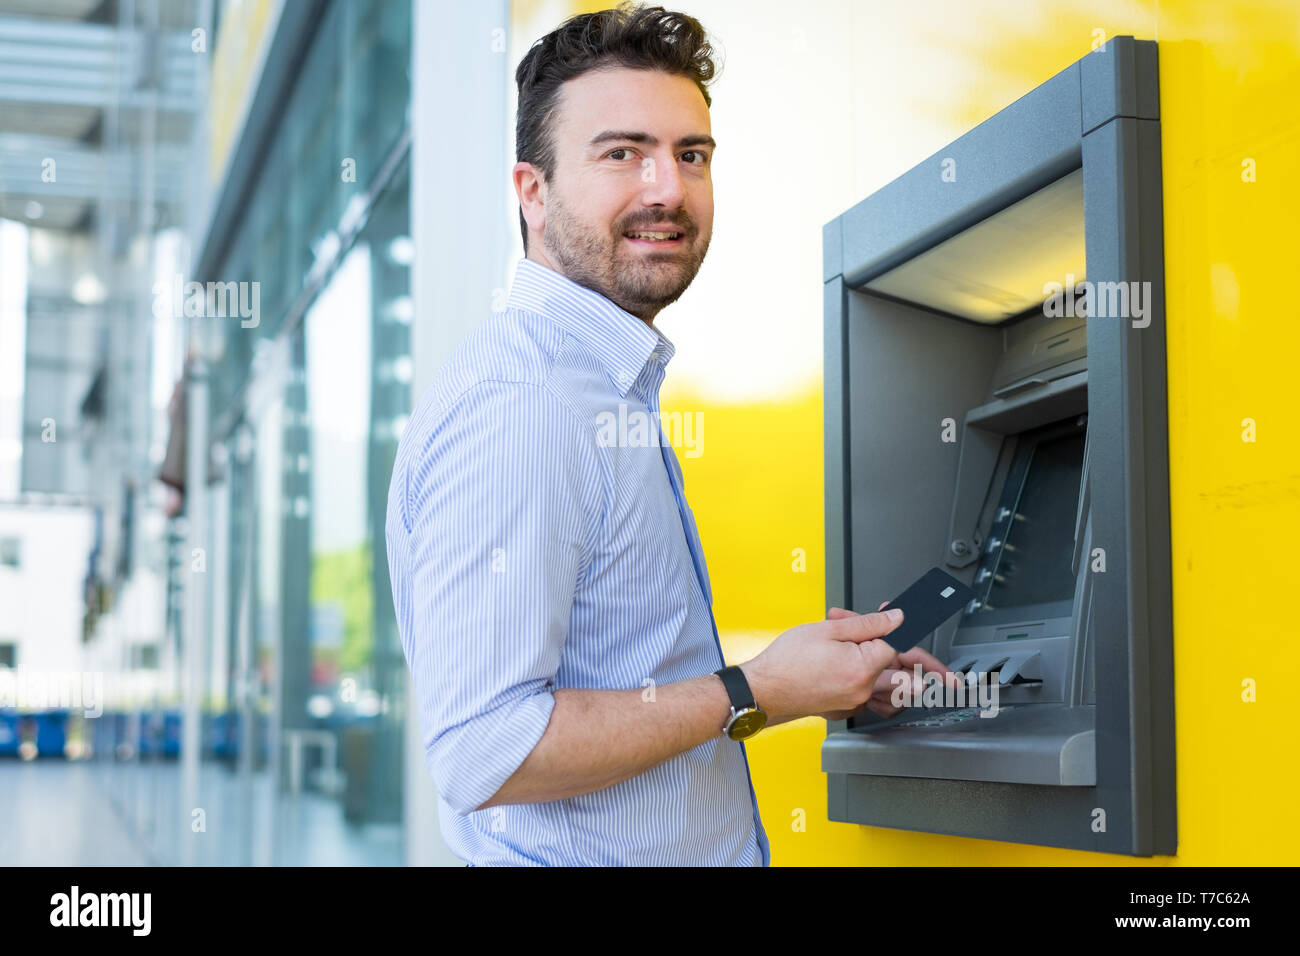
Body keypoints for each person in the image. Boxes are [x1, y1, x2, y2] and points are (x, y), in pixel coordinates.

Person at [385, 1, 955, 867]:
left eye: (691, 155)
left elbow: (621, 673)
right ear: (531, 192)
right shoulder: (525, 406)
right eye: (623, 153)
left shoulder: (597, 386)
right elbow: (484, 749)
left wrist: (812, 680)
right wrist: (754, 688)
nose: (668, 188)